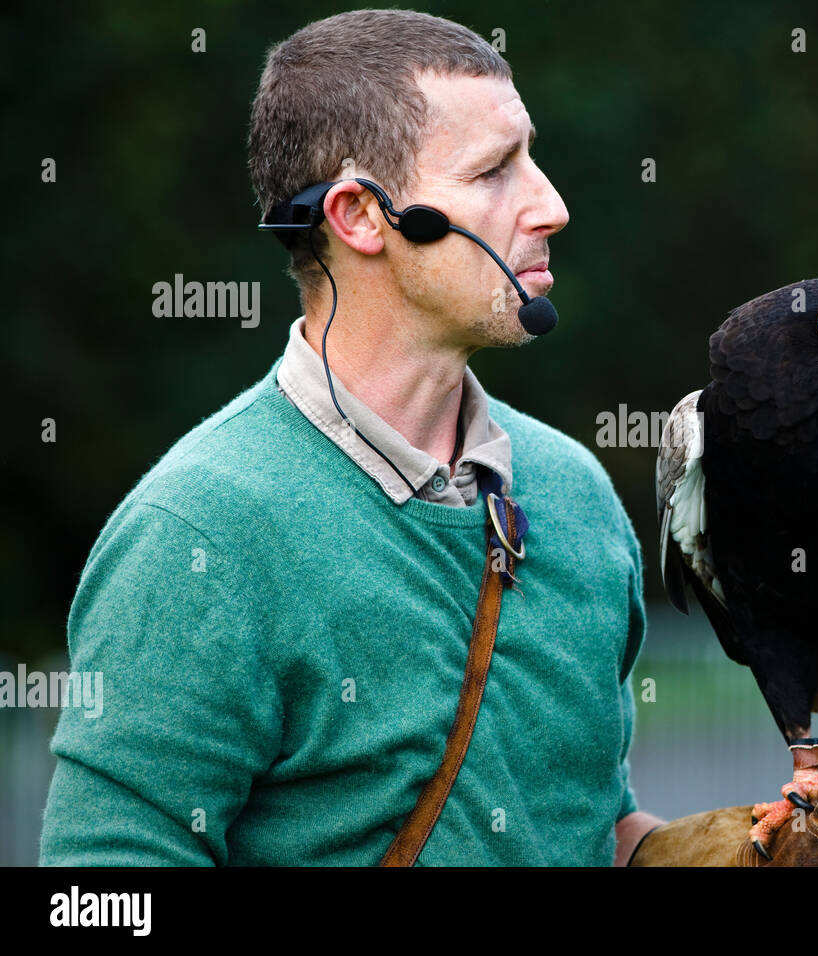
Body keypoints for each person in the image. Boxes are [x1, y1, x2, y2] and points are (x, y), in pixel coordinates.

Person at [39, 9, 662, 866]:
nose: (550, 205)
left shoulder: (574, 491)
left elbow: (589, 822)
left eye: (531, 157)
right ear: (363, 216)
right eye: (492, 171)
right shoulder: (200, 535)